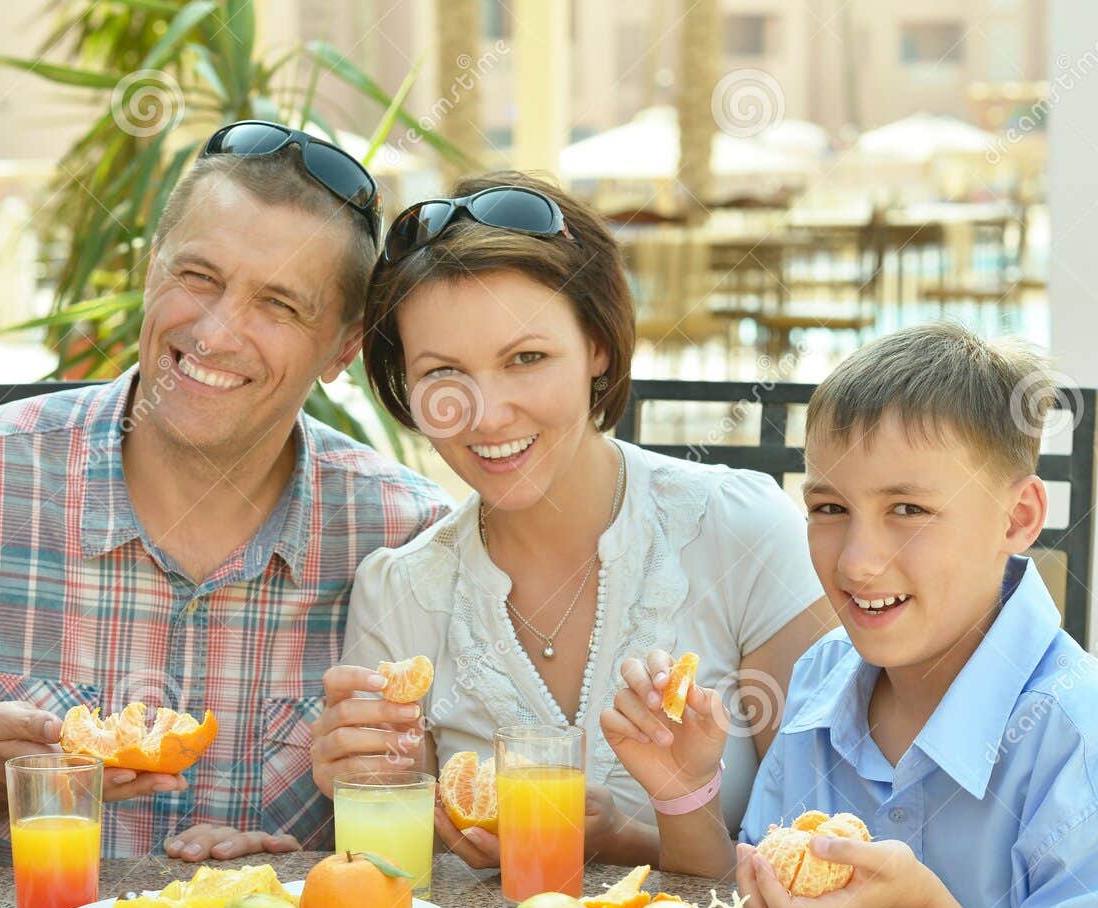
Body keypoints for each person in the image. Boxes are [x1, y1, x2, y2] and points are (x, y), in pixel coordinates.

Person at [0, 121, 448, 865]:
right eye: (199, 277)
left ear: (344, 348)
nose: (218, 332)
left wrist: (300, 879)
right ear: (151, 267)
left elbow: (456, 861)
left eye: (279, 305)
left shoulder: (412, 542)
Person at [605, 322, 1097, 908]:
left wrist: (923, 906)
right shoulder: (822, 675)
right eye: (830, 508)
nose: (860, 562)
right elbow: (752, 906)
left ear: (1018, 517)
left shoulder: (1072, 729)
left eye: (908, 510)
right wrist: (683, 791)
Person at [316, 172, 830, 868]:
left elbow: (825, 861)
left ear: (598, 347)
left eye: (526, 358)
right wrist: (362, 790)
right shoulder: (399, 594)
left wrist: (624, 840)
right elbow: (389, 890)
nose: (488, 413)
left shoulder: (744, 532)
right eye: (443, 372)